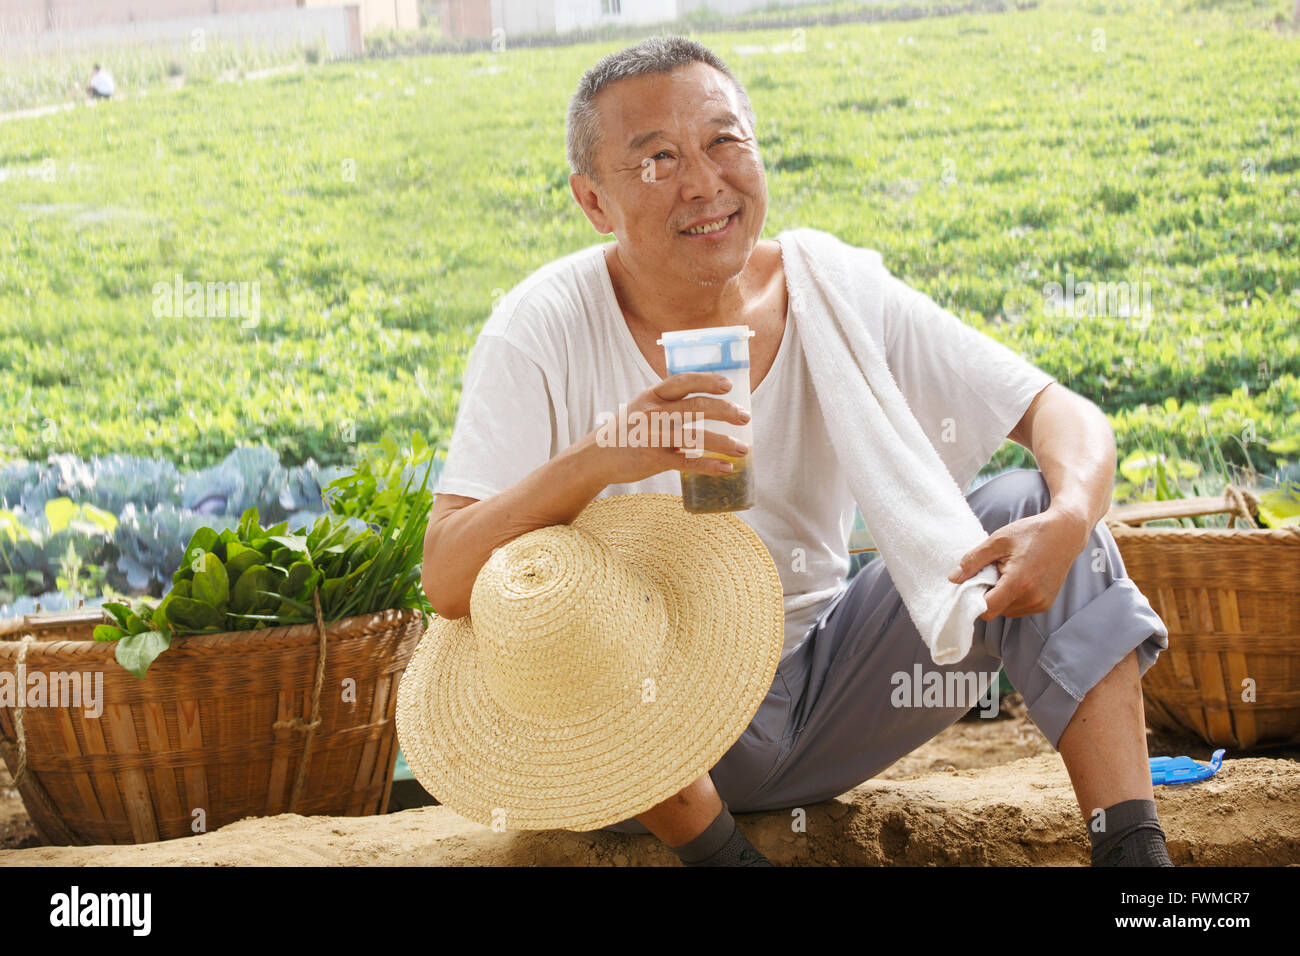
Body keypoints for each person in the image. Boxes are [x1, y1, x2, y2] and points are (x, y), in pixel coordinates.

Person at [423, 36, 1172, 867]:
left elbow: (1059, 412)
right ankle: (722, 857)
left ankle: (1136, 866)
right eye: (658, 159)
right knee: (575, 619)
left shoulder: (830, 288)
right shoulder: (541, 327)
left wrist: (1071, 515)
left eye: (723, 140)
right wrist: (602, 458)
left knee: (1032, 504)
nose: (704, 182)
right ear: (594, 202)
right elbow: (448, 574)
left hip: (826, 688)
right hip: (641, 748)